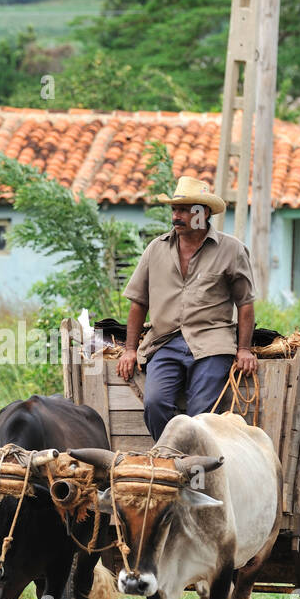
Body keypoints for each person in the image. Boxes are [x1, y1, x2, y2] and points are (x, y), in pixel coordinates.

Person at [118, 175, 259, 442]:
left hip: (212, 344)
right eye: (174, 209)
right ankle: (176, 461)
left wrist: (243, 349)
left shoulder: (232, 250)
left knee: (201, 416)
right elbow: (138, 302)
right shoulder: (156, 249)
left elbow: (245, 304)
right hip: (164, 342)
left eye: (184, 210)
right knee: (155, 404)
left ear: (204, 212)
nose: (176, 216)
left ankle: (192, 470)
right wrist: (129, 349)